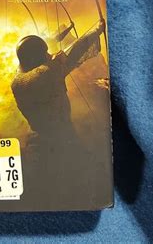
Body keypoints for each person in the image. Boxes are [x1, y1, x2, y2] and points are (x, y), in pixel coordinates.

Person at [10, 20, 105, 207]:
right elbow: (67, 57)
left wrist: (95, 30)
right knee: (62, 190)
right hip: (52, 144)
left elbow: (70, 54)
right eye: (44, 54)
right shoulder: (40, 76)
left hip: (48, 141)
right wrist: (97, 30)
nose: (48, 55)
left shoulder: (23, 78)